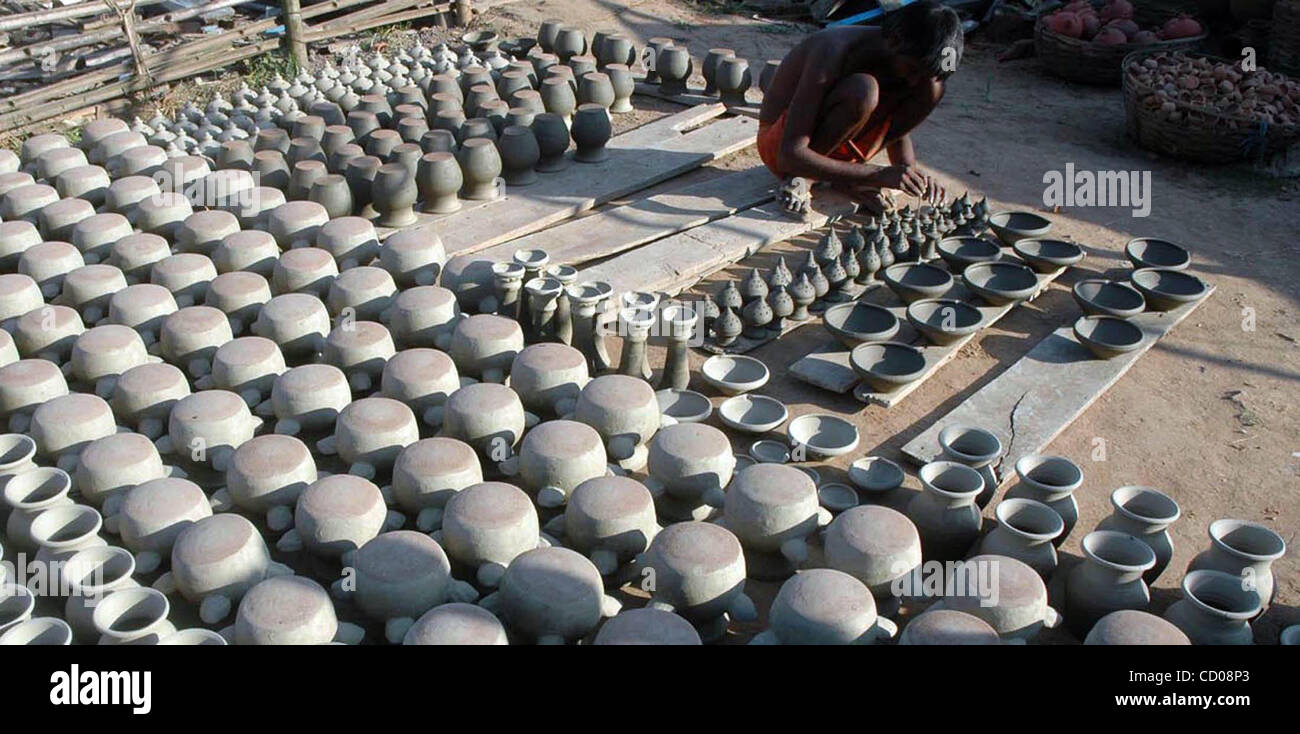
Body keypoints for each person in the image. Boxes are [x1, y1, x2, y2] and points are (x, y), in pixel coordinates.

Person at [757, 0, 963, 216]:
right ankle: (807, 177)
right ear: (893, 42)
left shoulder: (905, 61)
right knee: (864, 91)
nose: (913, 82)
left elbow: (895, 123)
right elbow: (789, 155)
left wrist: (908, 171)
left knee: (933, 88)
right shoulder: (833, 50)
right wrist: (875, 175)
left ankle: (844, 177)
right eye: (912, 70)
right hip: (783, 149)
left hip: (835, 150)